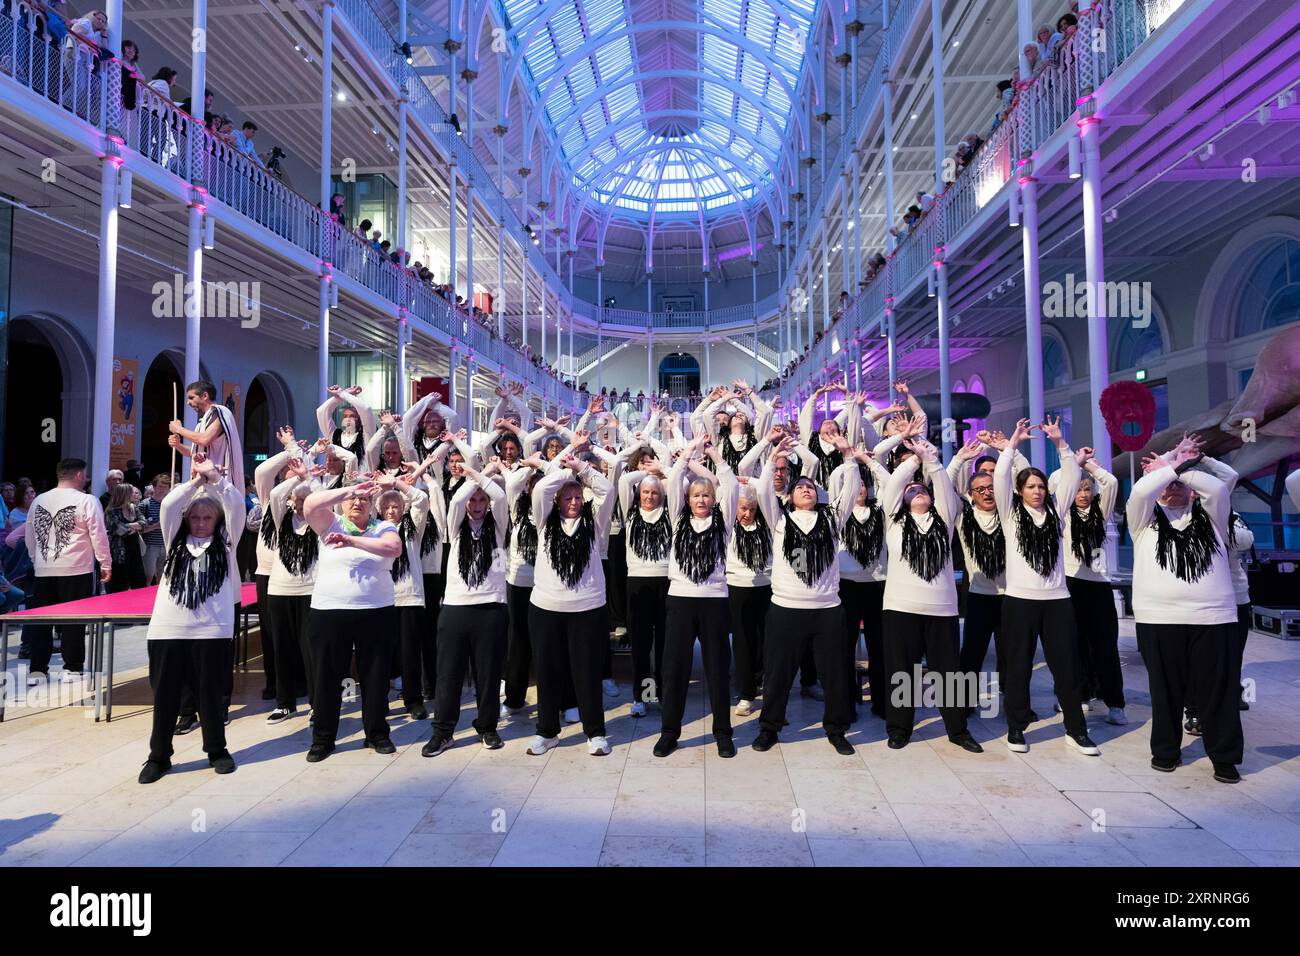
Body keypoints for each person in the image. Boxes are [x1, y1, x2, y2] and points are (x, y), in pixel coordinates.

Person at [1128, 435, 1242, 783]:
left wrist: (1179, 466)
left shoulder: (1212, 518)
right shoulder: (1143, 520)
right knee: (1165, 690)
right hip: (1158, 620)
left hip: (1213, 617)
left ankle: (1223, 757)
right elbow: (1140, 492)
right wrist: (1170, 466)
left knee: (1218, 692)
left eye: (1181, 484)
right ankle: (1165, 751)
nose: (1173, 488)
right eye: (1168, 483)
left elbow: (1219, 490)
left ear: (1192, 489)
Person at [994, 418, 1098, 756]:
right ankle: (1016, 727)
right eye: (1031, 487)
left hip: (1057, 601)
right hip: (1020, 602)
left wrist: (1060, 443)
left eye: (1041, 486)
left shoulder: (1057, 512)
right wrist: (1012, 444)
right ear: (1020, 491)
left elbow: (1070, 477)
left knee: (1066, 666)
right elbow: (999, 477)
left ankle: (1076, 730)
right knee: (1018, 666)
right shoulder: (1010, 514)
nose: (1038, 491)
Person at [137, 455, 243, 784]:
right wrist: (197, 482)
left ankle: (216, 750)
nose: (199, 522)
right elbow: (169, 504)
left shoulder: (227, 542)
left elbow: (236, 504)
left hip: (212, 631)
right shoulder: (174, 540)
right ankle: (159, 756)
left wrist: (217, 480)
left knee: (211, 694)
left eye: (206, 517)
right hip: (168, 630)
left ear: (217, 520)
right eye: (195, 517)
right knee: (165, 695)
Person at [752, 435, 861, 755]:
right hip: (786, 609)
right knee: (778, 673)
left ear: (818, 495)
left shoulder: (831, 519)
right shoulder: (779, 519)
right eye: (799, 486)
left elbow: (851, 490)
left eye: (810, 486)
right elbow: (761, 490)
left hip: (828, 610)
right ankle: (770, 728)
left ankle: (837, 729)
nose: (805, 488)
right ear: (789, 495)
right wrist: (773, 455)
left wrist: (848, 455)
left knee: (835, 673)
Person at [879, 436, 982, 752]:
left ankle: (957, 729)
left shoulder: (944, 520)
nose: (916, 491)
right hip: (900, 608)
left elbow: (945, 489)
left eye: (921, 489)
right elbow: (895, 484)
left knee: (948, 673)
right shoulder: (894, 522)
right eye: (912, 490)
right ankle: (899, 728)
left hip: (942, 610)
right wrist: (913, 461)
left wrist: (933, 460)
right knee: (902, 671)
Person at [300, 480, 403, 761]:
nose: (357, 503)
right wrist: (349, 490)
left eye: (363, 500)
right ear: (342, 501)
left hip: (376, 611)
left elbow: (393, 548)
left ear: (372, 505)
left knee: (375, 676)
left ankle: (377, 733)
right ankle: (323, 739)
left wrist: (351, 541)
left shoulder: (383, 526)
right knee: (327, 678)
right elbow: (310, 503)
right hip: (330, 612)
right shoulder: (329, 523)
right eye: (352, 499)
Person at [653, 436, 739, 758]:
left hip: (715, 600)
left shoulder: (724, 523)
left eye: (706, 495)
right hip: (680, 601)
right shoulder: (677, 520)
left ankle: (722, 733)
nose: (701, 499)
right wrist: (687, 453)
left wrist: (715, 454)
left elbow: (730, 483)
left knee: (718, 669)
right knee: (674, 668)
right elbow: (674, 479)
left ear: (714, 500)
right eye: (696, 495)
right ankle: (669, 733)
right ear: (687, 500)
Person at [526, 453, 616, 756]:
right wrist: (563, 470)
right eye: (567, 497)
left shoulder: (595, 522)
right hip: (546, 608)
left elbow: (608, 490)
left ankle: (595, 733)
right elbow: (540, 490)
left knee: (587, 672)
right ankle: (547, 731)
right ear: (557, 502)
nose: (574, 502)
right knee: (548, 672)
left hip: (588, 609)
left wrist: (582, 469)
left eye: (578, 496)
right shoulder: (543, 522)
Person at [422, 458, 507, 755]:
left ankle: (488, 727)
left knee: (488, 673)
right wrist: (474, 478)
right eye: (474, 499)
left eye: (481, 499)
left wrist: (478, 476)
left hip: (491, 608)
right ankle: (443, 732)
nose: (477, 503)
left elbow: (498, 496)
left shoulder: (498, 527)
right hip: (456, 609)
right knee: (449, 674)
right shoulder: (454, 527)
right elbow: (457, 498)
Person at [1053, 448, 1125, 724]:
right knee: (1073, 645)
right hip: (1070, 584)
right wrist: (1075, 463)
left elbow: (1112, 483)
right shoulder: (1062, 514)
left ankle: (1115, 703)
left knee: (1105, 646)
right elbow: (1056, 481)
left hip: (1097, 586)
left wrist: (1090, 466)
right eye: (1079, 489)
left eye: (1087, 489)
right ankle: (1078, 696)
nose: (1083, 494)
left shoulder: (1101, 512)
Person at [23, 458, 111, 682]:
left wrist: (37, 560)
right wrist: (105, 562)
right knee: (73, 620)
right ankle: (72, 668)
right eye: (86, 474)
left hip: (44, 568)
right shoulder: (87, 500)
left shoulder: (38, 500)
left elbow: (30, 536)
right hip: (76, 568)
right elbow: (98, 535)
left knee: (42, 622)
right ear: (79, 475)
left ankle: (38, 669)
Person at [619, 448, 671, 716]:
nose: (649, 496)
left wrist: (661, 470)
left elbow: (676, 483)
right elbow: (624, 481)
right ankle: (641, 697)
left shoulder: (669, 512)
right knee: (641, 644)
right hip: (637, 584)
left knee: (663, 643)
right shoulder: (631, 511)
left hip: (665, 582)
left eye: (654, 492)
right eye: (645, 492)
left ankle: (659, 694)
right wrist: (648, 471)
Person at [104, 481, 146, 591]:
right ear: (124, 494)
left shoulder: (133, 507)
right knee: (119, 584)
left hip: (135, 549)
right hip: (120, 552)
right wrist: (134, 527)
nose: (134, 494)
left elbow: (144, 523)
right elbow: (121, 531)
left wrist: (128, 525)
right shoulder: (111, 511)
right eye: (131, 492)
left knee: (139, 582)